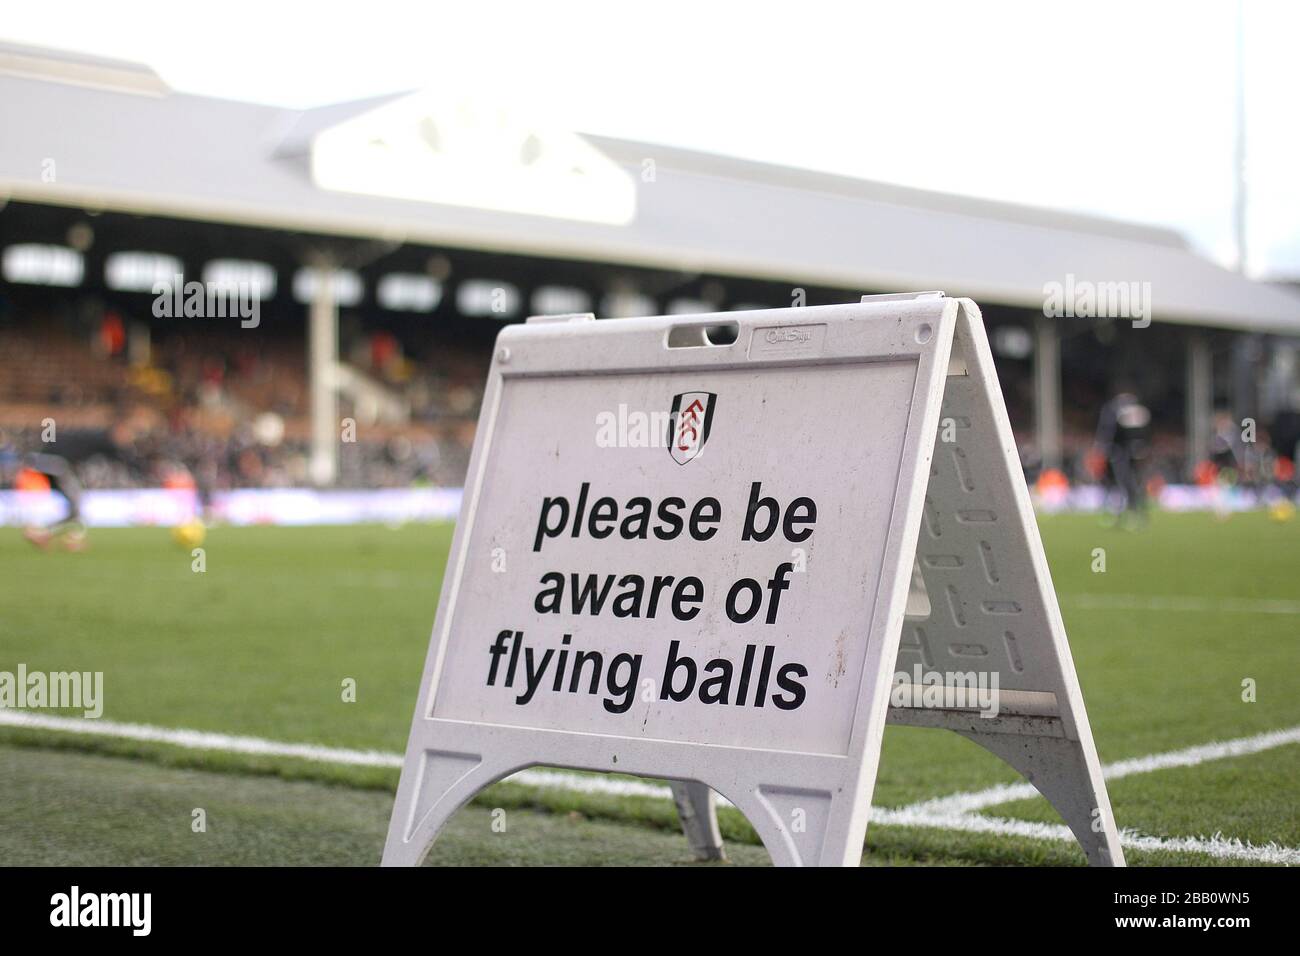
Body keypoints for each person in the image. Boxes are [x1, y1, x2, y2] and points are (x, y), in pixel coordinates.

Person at [1094, 386, 1151, 526]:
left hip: (1121, 453)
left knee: (1126, 483)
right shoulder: (1135, 412)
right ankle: (1129, 512)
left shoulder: (1117, 412)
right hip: (1126, 452)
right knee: (1126, 483)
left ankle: (1131, 512)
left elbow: (1111, 433)